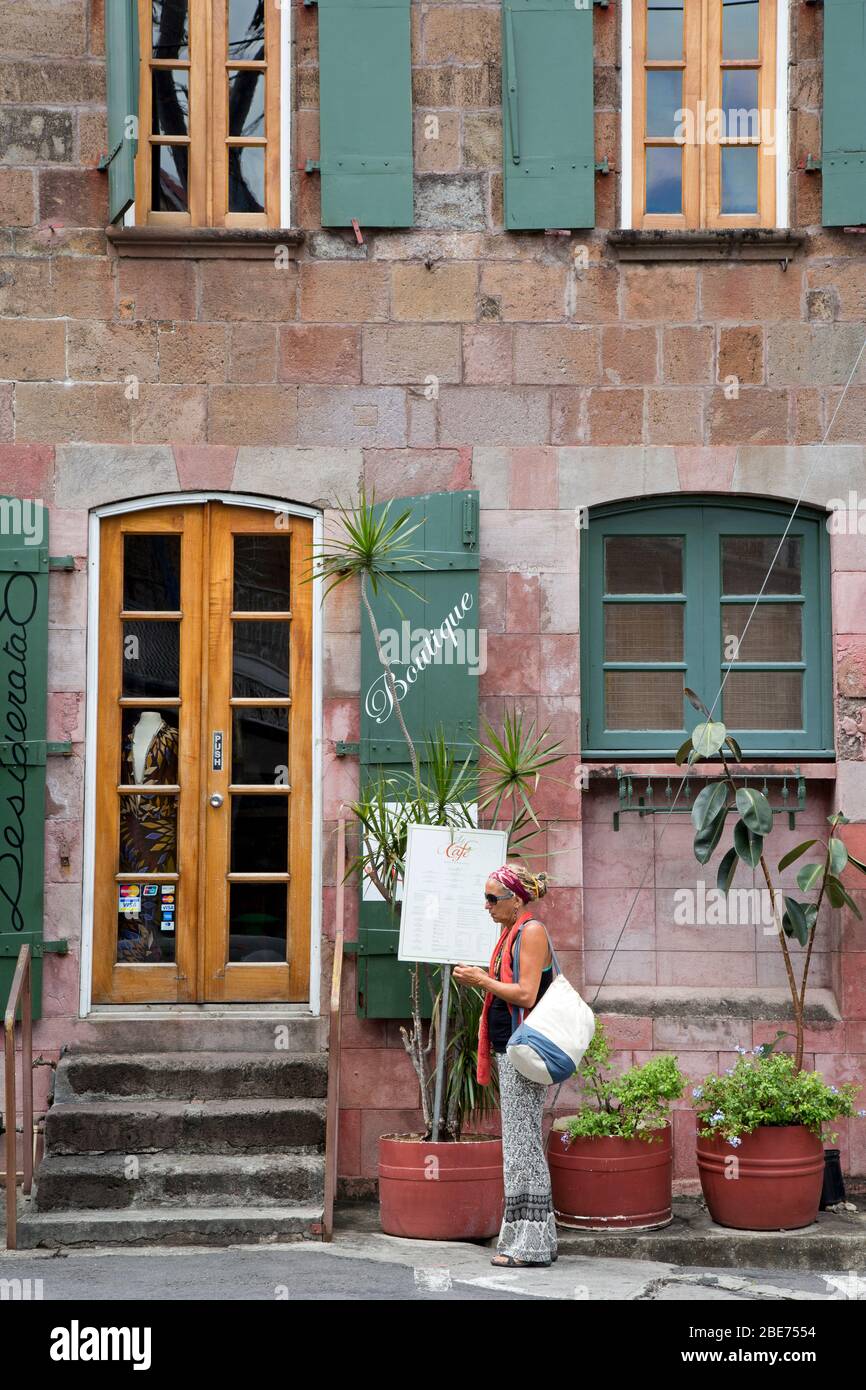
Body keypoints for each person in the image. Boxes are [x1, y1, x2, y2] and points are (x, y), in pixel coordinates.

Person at [453, 863, 557, 1268]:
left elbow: (527, 994)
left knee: (523, 1145)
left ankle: (529, 1245)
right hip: (510, 1050)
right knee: (519, 1142)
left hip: (524, 1052)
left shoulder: (530, 931)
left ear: (516, 899)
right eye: (486, 897)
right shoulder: (510, 930)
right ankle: (532, 1240)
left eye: (493, 899)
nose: (487, 906)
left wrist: (481, 981)